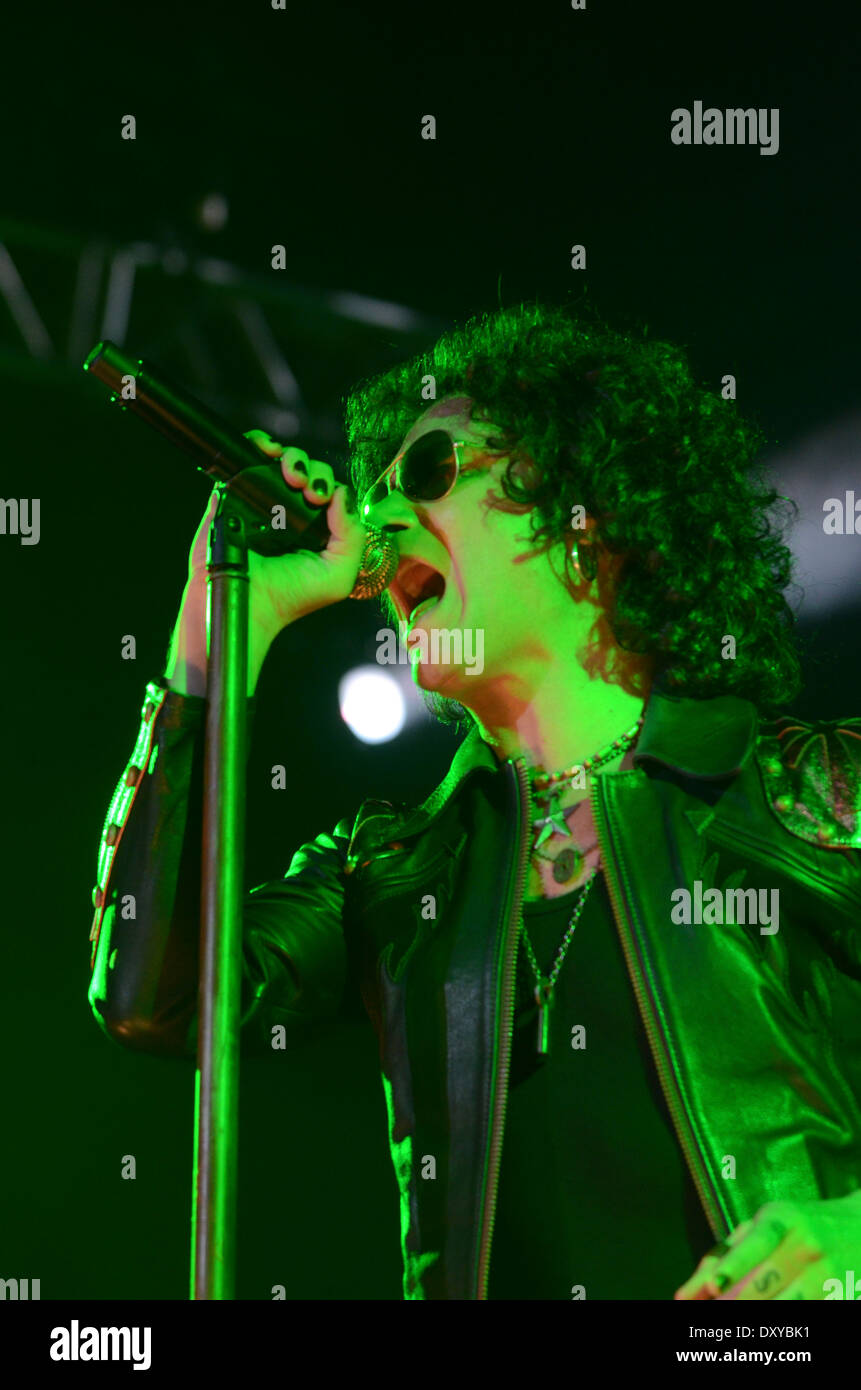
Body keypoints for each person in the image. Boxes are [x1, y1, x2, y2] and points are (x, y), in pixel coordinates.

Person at [88, 300, 861, 1301]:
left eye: (428, 472)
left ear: (587, 508)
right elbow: (153, 1000)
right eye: (373, 496)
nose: (383, 517)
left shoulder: (813, 792)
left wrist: (847, 1236)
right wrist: (211, 642)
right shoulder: (398, 865)